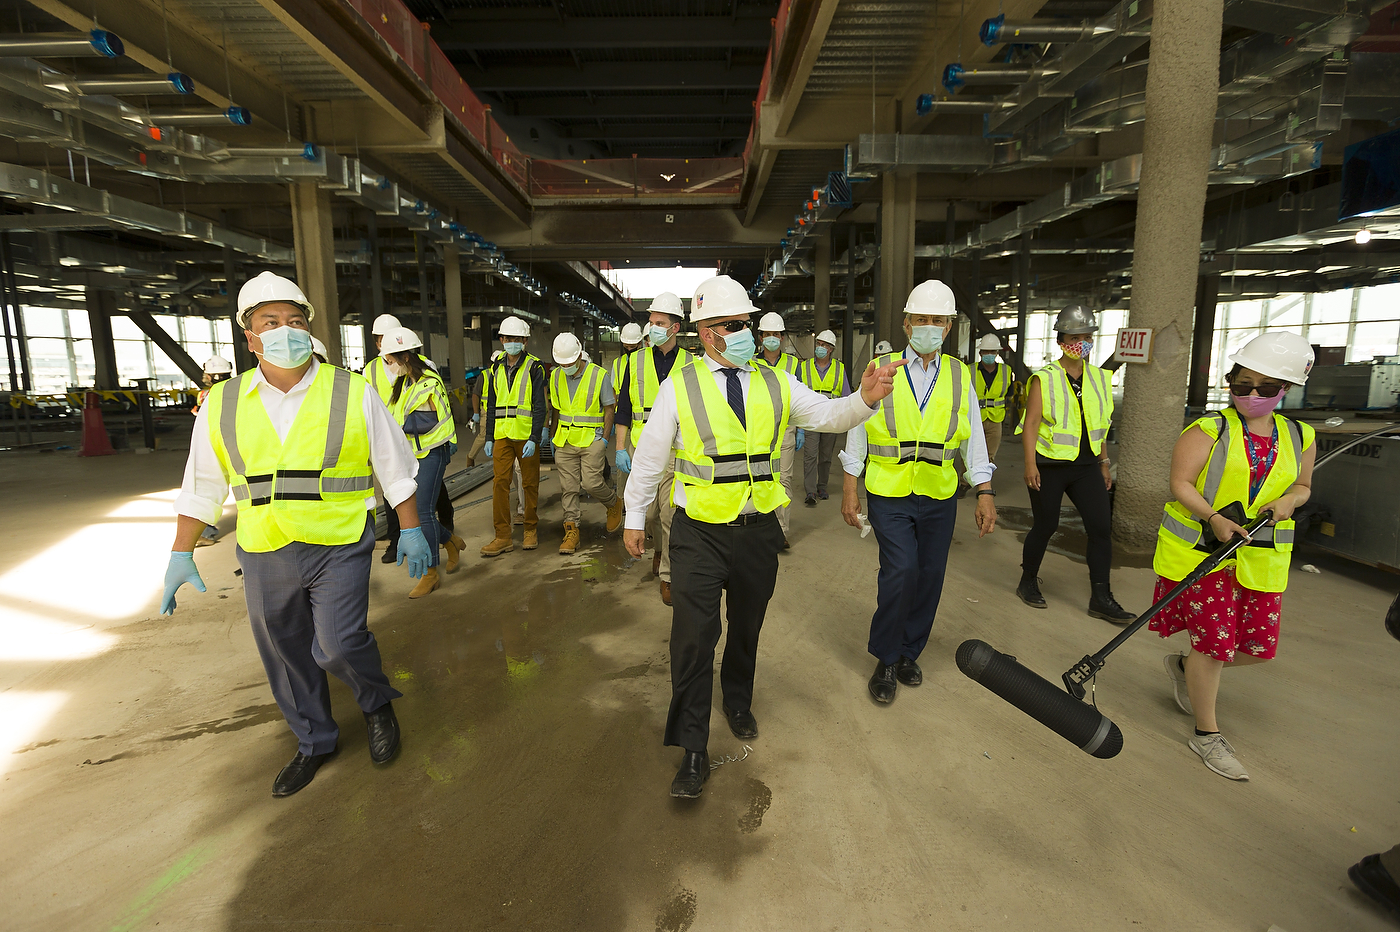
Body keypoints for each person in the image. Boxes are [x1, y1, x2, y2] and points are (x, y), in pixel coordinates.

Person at [624, 275, 907, 799]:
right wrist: (634, 517)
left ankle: (737, 699)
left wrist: (864, 399)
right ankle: (692, 748)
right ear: (707, 332)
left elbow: (826, 414)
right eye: (733, 326)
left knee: (747, 626)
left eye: (747, 325)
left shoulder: (775, 382)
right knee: (692, 637)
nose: (745, 335)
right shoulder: (679, 387)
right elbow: (649, 459)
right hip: (698, 532)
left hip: (758, 530)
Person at [160, 271, 428, 797]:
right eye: (271, 321)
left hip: (338, 539)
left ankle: (375, 705)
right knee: (285, 653)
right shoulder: (223, 402)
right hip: (264, 548)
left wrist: (412, 529)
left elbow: (395, 468)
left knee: (337, 644)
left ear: (309, 328)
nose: (286, 330)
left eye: (296, 320)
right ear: (249, 336)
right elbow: (202, 485)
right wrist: (180, 551)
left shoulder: (352, 390)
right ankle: (314, 741)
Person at [1151, 331, 1315, 781]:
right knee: (1214, 645)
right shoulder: (1209, 429)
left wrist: (1292, 501)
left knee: (1258, 650)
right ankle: (1207, 733)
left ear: (1286, 389)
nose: (1251, 395)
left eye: (1265, 387)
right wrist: (1213, 519)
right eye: (1242, 385)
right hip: (1208, 555)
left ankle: (1185, 668)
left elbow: (1302, 486)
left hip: (1260, 559)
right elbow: (1181, 483)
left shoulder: (1300, 435)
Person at [839, 281, 999, 703]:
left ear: (948, 329)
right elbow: (858, 424)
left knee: (930, 576)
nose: (929, 327)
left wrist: (984, 490)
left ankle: (910, 652)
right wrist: (849, 484)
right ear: (907, 324)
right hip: (890, 492)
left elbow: (974, 439)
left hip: (940, 493)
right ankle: (887, 658)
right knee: (901, 571)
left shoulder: (960, 376)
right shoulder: (882, 367)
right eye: (922, 320)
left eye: (938, 321)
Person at [1014, 305, 1135, 623]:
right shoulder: (1046, 378)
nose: (1081, 342)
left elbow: (1100, 424)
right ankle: (1027, 581)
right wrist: (1030, 464)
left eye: (1086, 337)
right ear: (1061, 340)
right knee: (1046, 525)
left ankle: (1101, 597)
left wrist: (1104, 463)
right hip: (1049, 465)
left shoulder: (1099, 378)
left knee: (1100, 529)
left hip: (1086, 468)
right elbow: (1031, 424)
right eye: (1074, 337)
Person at [614, 292, 690, 605]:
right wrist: (620, 447)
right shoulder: (635, 361)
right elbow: (623, 408)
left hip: (674, 451)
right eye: (652, 321)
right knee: (648, 513)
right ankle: (658, 549)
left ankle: (668, 576)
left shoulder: (690, 363)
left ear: (674, 328)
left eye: (659, 322)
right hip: (642, 448)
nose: (653, 326)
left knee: (670, 514)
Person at [380, 326, 464, 597]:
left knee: (423, 512)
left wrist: (392, 428)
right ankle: (451, 541)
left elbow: (434, 420)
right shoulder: (402, 384)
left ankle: (430, 574)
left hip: (430, 453)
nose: (388, 366)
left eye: (390, 360)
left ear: (404, 357)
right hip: (409, 456)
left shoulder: (429, 382)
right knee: (418, 513)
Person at [547, 332, 624, 554]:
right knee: (568, 488)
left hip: (592, 439)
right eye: (562, 363)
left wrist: (604, 439)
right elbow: (557, 409)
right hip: (565, 440)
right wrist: (553, 435)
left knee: (591, 483)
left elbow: (609, 408)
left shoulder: (599, 375)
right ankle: (572, 531)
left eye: (570, 362)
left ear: (580, 355)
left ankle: (612, 502)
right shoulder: (555, 376)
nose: (566, 366)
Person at [481, 316, 544, 556]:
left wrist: (534, 437)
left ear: (525, 341)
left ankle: (530, 529)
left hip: (526, 435)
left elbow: (539, 405)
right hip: (502, 435)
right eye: (508, 339)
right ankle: (503, 536)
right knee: (500, 484)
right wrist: (488, 436)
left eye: (517, 339)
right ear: (501, 339)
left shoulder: (535, 367)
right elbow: (492, 403)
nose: (512, 343)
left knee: (529, 484)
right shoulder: (495, 367)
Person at [756, 311, 802, 548]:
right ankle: (761, 530)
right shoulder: (751, 363)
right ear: (760, 337)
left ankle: (781, 532)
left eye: (776, 334)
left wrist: (801, 428)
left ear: (782, 337)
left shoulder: (794, 364)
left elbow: (802, 397)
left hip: (786, 429)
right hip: (758, 431)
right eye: (767, 334)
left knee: (784, 480)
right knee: (762, 480)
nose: (772, 338)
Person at [799, 329, 849, 506]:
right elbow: (796, 393)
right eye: (819, 344)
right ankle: (810, 491)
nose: (820, 347)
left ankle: (822, 486)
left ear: (831, 349)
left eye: (825, 345)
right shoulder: (804, 367)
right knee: (810, 455)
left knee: (826, 456)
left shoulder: (839, 368)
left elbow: (845, 395)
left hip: (831, 417)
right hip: (811, 417)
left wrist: (844, 419)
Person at [974, 333, 1013, 463]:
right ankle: (965, 482)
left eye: (992, 351)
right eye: (986, 351)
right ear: (980, 353)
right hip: (974, 418)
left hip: (996, 419)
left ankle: (985, 482)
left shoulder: (1006, 371)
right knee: (971, 453)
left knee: (990, 456)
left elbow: (1009, 394)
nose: (989, 354)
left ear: (997, 353)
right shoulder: (970, 370)